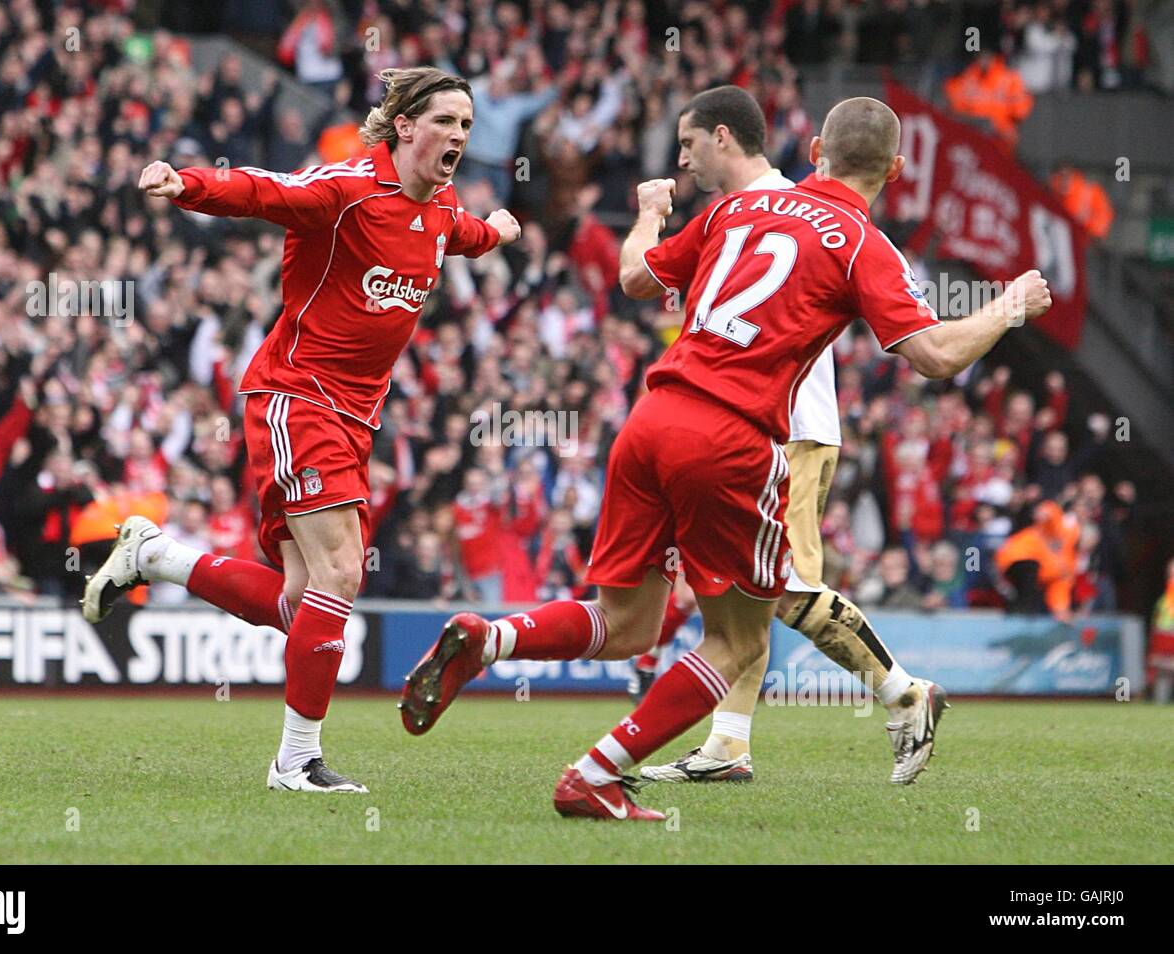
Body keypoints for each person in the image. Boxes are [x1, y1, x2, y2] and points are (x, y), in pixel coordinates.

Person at [399, 92, 1052, 820]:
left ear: (814, 154)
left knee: (628, 624)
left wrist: (649, 213)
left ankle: (490, 638)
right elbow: (932, 356)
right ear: (895, 169)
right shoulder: (863, 243)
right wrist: (1011, 305)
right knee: (737, 640)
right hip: (734, 437)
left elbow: (639, 277)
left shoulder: (735, 209)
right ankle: (595, 773)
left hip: (650, 418)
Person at [81, 67, 520, 794]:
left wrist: (496, 232)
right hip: (297, 395)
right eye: (447, 121)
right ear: (407, 126)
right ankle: (295, 763)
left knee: (300, 602)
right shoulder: (349, 190)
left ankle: (157, 557)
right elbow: (263, 190)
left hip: (353, 419)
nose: (460, 138)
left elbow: (464, 234)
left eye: (468, 126)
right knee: (343, 574)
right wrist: (187, 184)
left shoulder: (440, 208)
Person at [616, 86, 945, 788]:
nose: (681, 160)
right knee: (737, 590)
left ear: (725, 140)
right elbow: (642, 284)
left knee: (785, 585)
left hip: (791, 427)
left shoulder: (775, 209)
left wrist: (648, 215)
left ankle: (906, 693)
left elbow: (926, 349)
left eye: (689, 144)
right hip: (742, 423)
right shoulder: (767, 209)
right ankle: (729, 744)